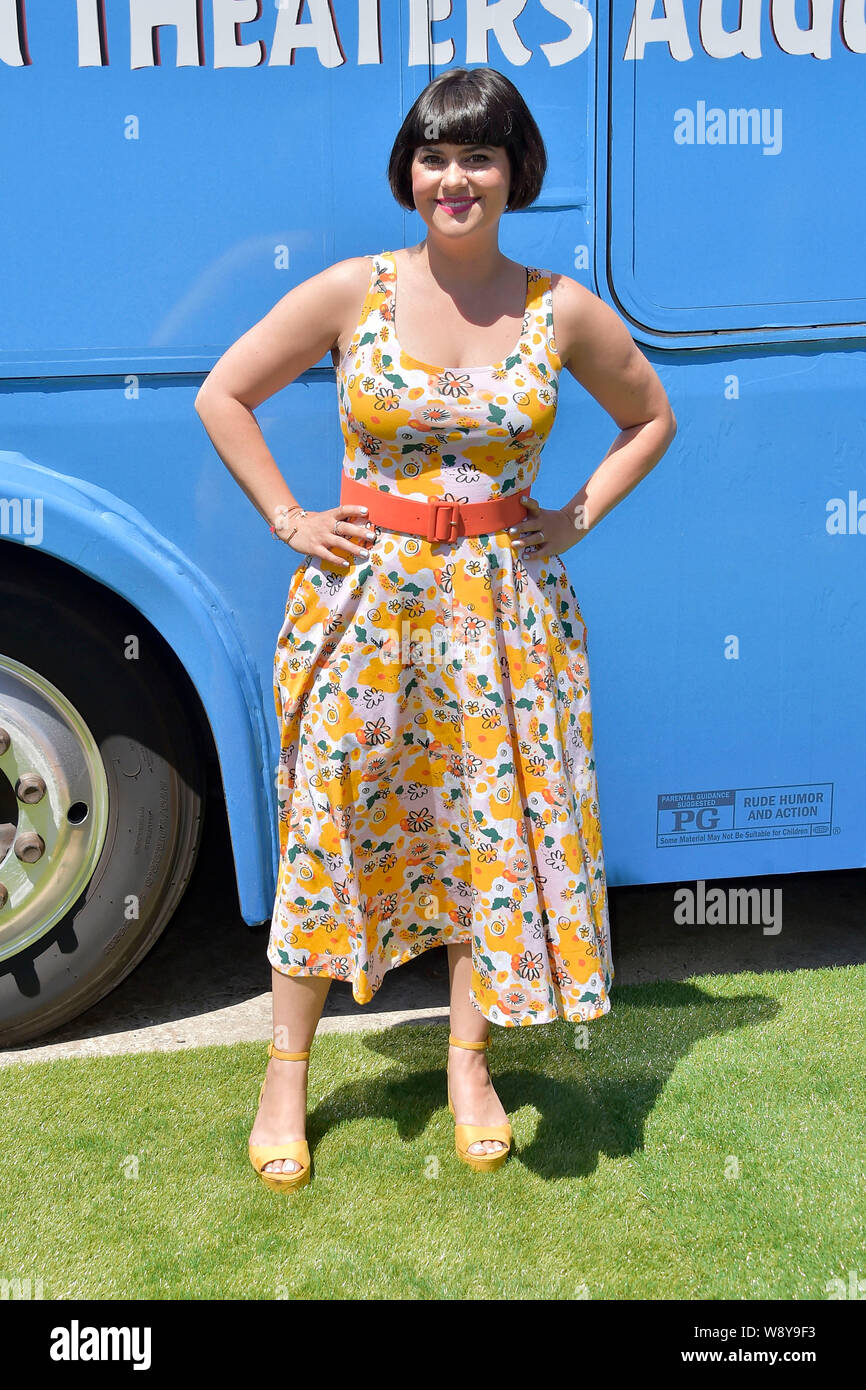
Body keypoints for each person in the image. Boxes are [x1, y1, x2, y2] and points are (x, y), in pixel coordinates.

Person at [194, 67, 676, 1191]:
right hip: (366, 608)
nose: (452, 177)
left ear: (516, 173)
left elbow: (647, 414)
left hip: (506, 608)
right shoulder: (347, 290)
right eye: (432, 155)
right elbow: (224, 392)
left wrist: (575, 515)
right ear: (407, 171)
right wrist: (287, 515)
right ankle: (282, 1076)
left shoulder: (561, 307)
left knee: (485, 838)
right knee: (329, 827)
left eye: (477, 156)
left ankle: (469, 1066)